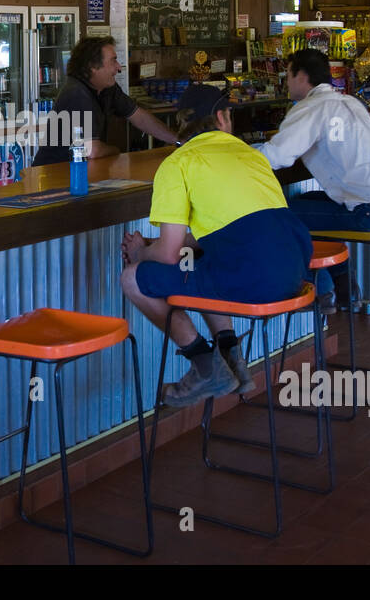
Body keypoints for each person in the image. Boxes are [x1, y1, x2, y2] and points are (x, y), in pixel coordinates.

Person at [121, 83, 312, 406]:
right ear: (223, 117)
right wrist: (162, 244)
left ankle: (205, 366)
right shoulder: (250, 155)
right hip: (295, 276)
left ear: (182, 124)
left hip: (253, 281)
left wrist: (141, 252)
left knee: (132, 279)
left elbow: (167, 256)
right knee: (200, 263)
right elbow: (220, 234)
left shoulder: (178, 163)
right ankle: (231, 354)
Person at [259, 48, 370, 312]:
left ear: (301, 75)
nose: (286, 82)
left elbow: (276, 156)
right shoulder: (349, 102)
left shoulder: (312, 107)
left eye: (288, 75)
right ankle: (345, 287)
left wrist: (233, 152)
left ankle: (321, 291)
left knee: (281, 217)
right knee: (302, 203)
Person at [31, 36, 176, 166]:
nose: (119, 67)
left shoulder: (107, 88)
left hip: (77, 173)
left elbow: (139, 117)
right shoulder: (77, 94)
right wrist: (115, 150)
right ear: (93, 66)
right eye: (113, 60)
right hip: (53, 177)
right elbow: (92, 151)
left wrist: (178, 141)